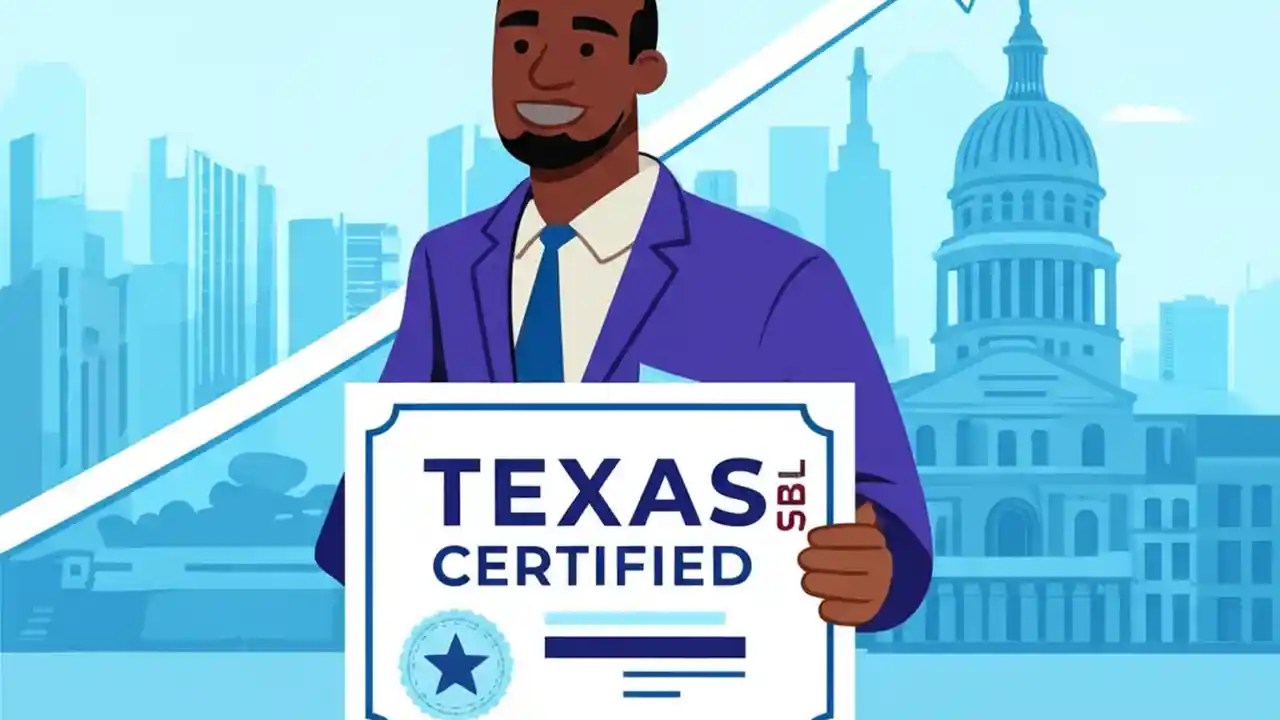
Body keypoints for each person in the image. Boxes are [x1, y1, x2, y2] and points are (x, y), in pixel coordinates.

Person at [316, 0, 932, 633]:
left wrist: (877, 569)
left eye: (586, 47)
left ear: (647, 69)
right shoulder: (447, 265)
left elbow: (883, 500)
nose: (546, 74)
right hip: (484, 668)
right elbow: (371, 499)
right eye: (520, 45)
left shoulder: (779, 277)